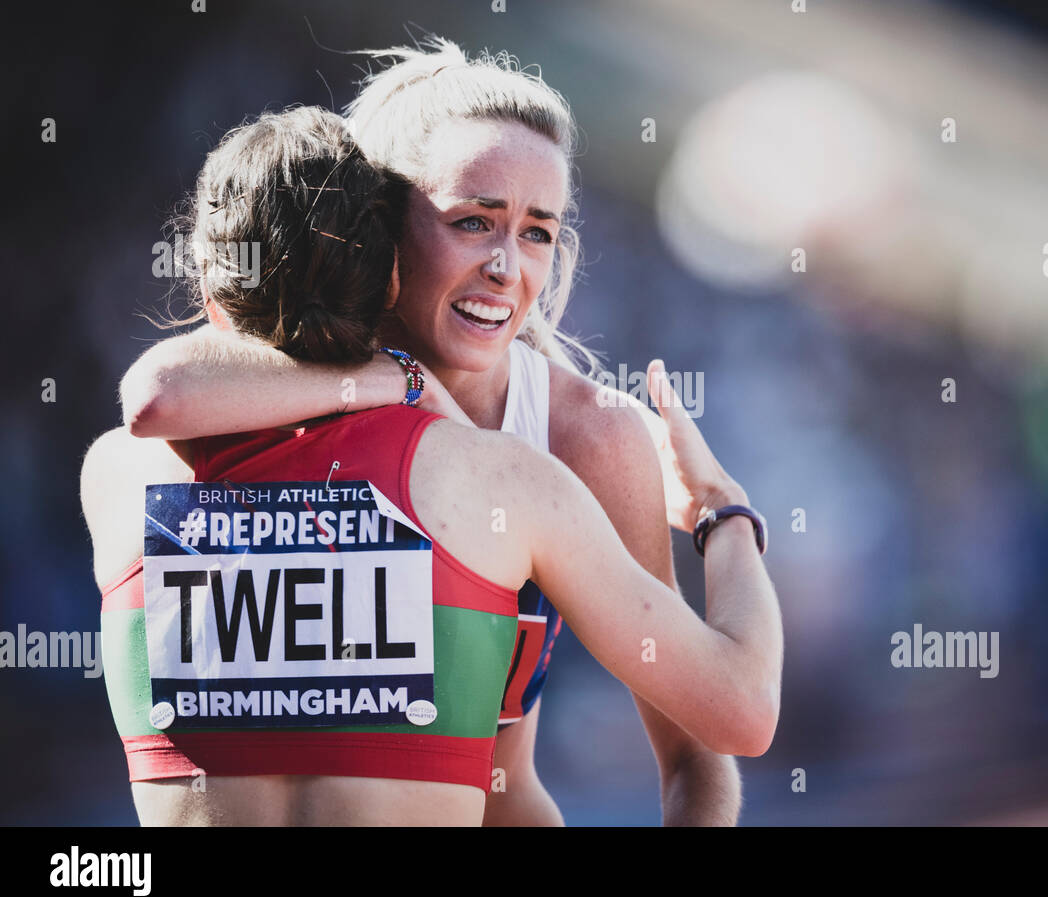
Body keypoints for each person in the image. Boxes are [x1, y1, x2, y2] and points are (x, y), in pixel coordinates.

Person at [82, 106, 781, 826]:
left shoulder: (116, 478)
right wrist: (720, 510)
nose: (505, 265)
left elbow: (161, 390)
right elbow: (742, 709)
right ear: (390, 262)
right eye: (471, 221)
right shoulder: (501, 481)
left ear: (207, 287)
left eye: (538, 231)